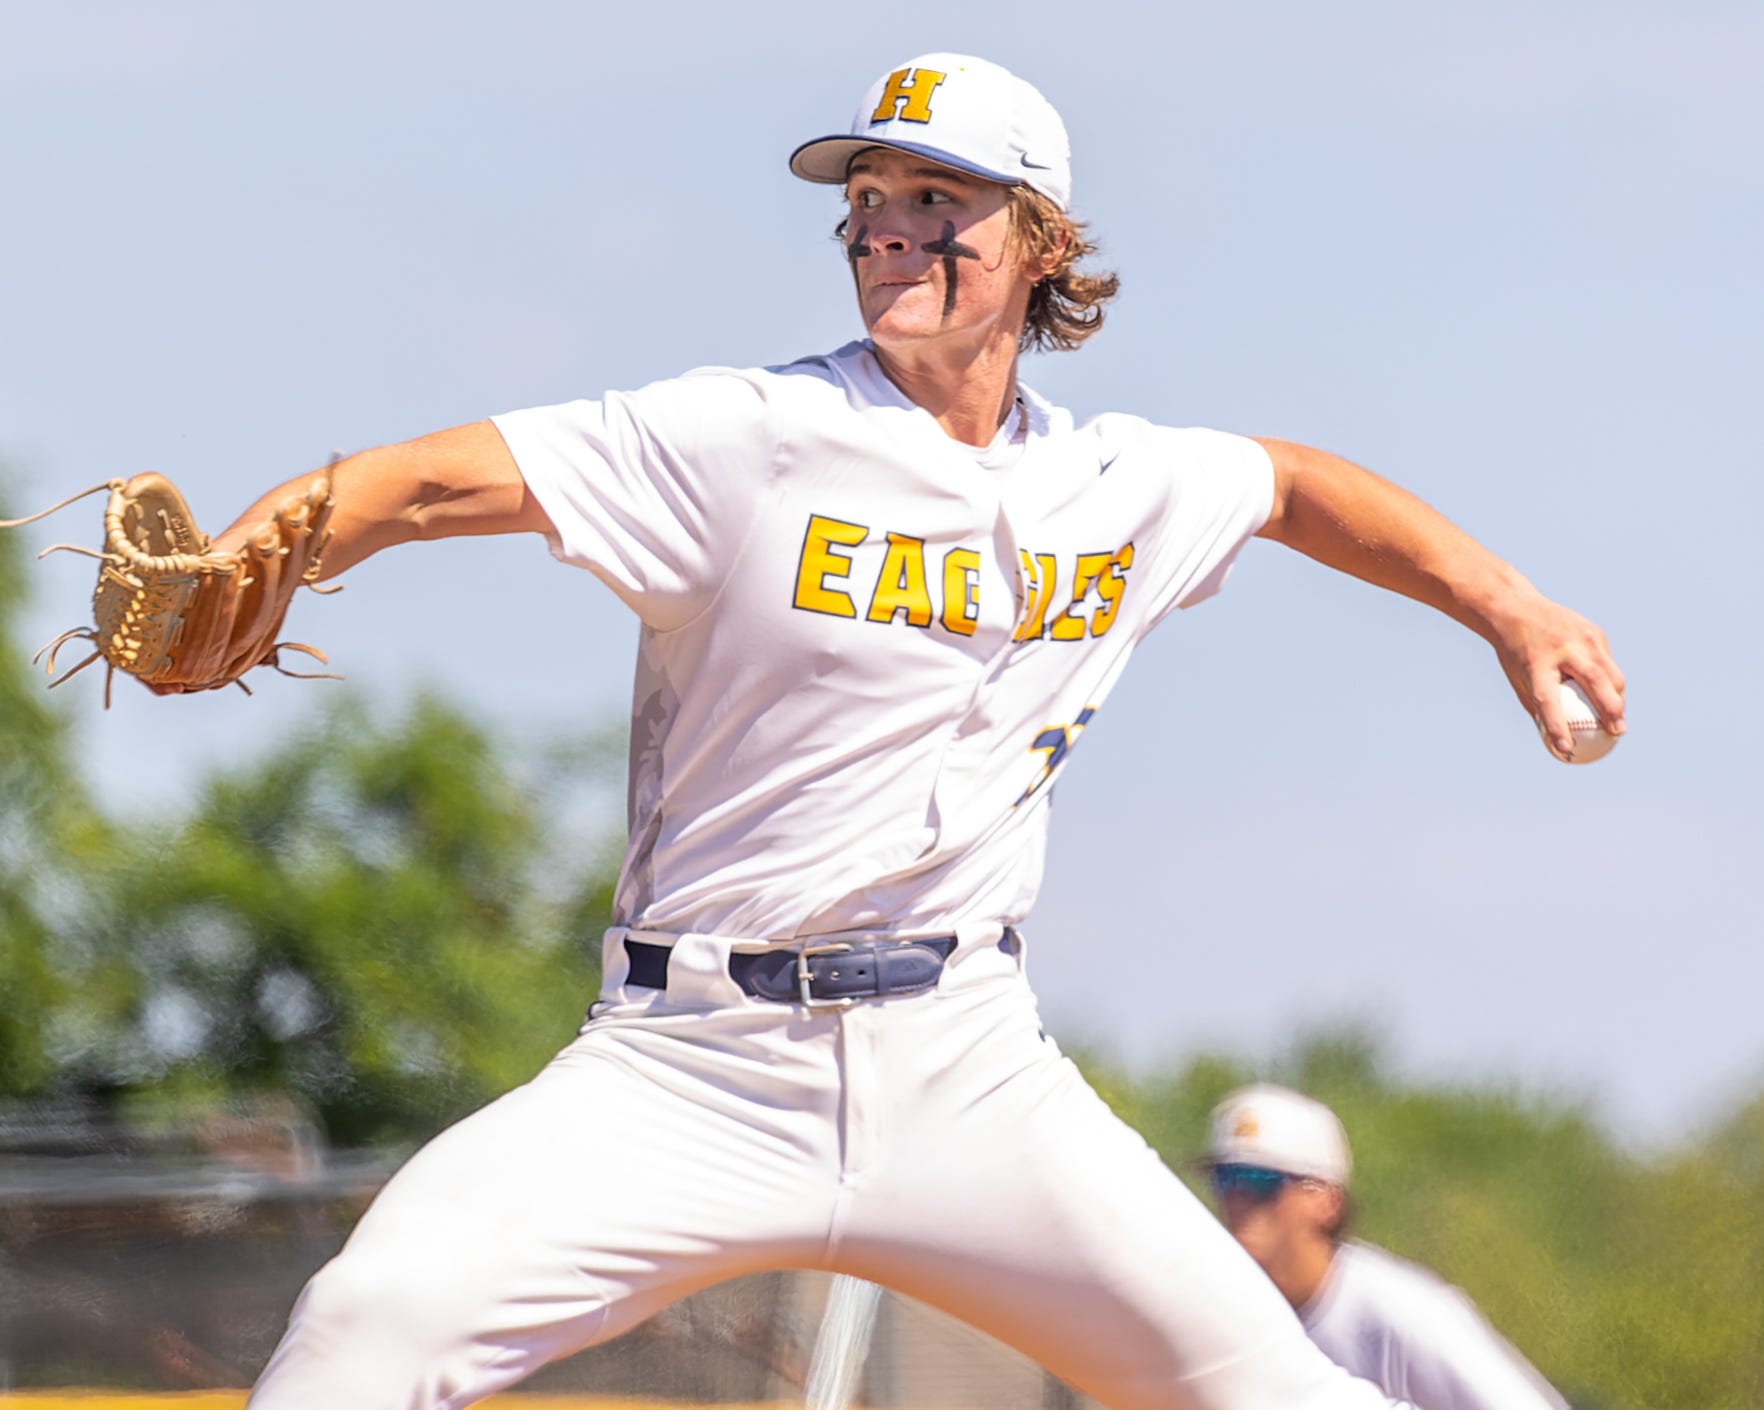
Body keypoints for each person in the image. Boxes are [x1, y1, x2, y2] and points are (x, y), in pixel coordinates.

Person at [210, 53, 1624, 1410]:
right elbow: (433, 482)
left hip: (967, 1064)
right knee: (366, 1327)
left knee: (1281, 1392)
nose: (886, 226)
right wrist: (250, 559)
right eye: (867, 198)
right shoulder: (751, 434)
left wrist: (1507, 605)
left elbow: (1294, 486)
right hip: (692, 1059)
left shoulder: (1111, 481)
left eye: (935, 198)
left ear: (1043, 239)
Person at [1205, 1084, 1571, 1410]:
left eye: (1260, 1180)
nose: (1237, 1198)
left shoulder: (1405, 1314)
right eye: (1225, 1178)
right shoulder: (1227, 1318)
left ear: (1326, 1200)